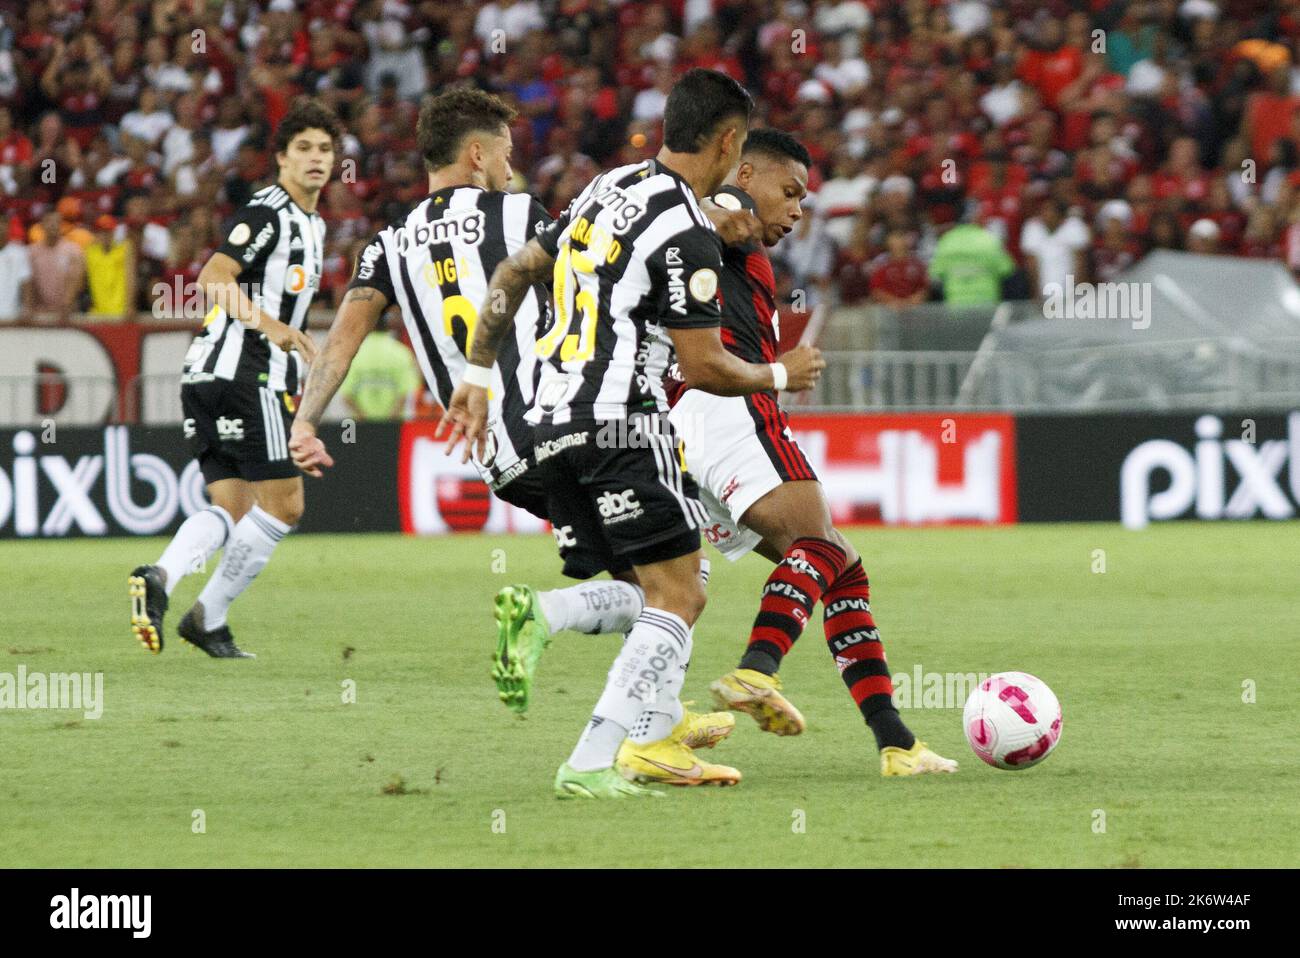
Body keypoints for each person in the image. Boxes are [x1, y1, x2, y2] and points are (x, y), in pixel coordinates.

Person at [438, 69, 826, 798]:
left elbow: (518, 268)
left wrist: (476, 371)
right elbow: (705, 366)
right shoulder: (686, 230)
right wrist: (782, 374)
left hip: (539, 426)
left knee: (659, 581)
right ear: (730, 141)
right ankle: (593, 759)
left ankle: (643, 720)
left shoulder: (603, 189)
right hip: (619, 423)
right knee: (681, 595)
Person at [288, 90, 711, 733]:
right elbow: (594, 289)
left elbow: (339, 342)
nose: (510, 168)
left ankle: (662, 718)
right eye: (506, 155)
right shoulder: (519, 216)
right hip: (567, 423)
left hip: (498, 458)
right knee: (681, 574)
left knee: (651, 576)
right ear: (478, 154)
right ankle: (602, 673)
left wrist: (304, 420)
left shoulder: (389, 244)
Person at [661, 129, 957, 777]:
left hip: (687, 431)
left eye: (806, 198)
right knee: (820, 547)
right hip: (730, 404)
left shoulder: (720, 242)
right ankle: (753, 672)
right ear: (745, 171)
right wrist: (722, 207)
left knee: (839, 567)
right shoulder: (715, 214)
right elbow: (708, 214)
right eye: (788, 191)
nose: (798, 209)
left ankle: (896, 745)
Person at [128, 98, 339, 659]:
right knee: (286, 506)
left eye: (325, 149)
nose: (316, 158)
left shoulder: (313, 223)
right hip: (246, 373)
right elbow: (213, 276)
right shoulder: (270, 211)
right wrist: (274, 328)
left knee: (236, 508)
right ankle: (208, 616)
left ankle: (161, 578)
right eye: (303, 149)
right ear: (281, 160)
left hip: (207, 375)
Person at [337, 314, 420, 420]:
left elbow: (346, 395)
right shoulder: (401, 353)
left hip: (361, 429)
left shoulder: (353, 354)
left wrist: (365, 421)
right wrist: (389, 422)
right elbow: (405, 393)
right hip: (395, 428)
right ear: (388, 325)